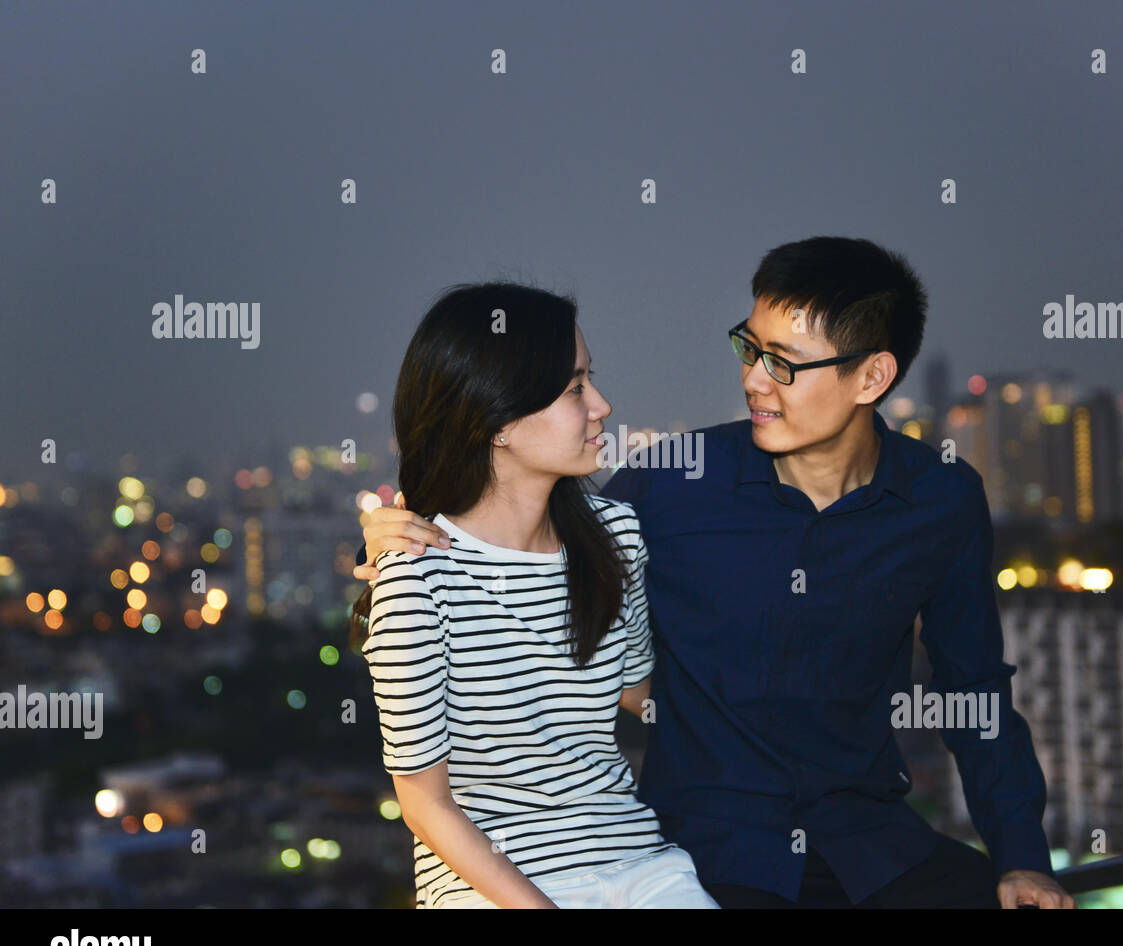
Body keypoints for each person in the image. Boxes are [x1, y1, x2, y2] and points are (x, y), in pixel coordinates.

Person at [356, 236, 1076, 909]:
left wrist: (1022, 855)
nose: (753, 380)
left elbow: (976, 692)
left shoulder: (942, 500)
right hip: (708, 856)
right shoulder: (670, 485)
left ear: (872, 375)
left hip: (869, 842)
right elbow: (517, 534)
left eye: (784, 363)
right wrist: (401, 527)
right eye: (750, 348)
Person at [349, 280, 719, 909]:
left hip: (637, 865)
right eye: (575, 388)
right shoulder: (417, 573)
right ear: (497, 420)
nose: (601, 405)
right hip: (488, 884)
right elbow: (425, 805)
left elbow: (637, 695)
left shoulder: (615, 538)